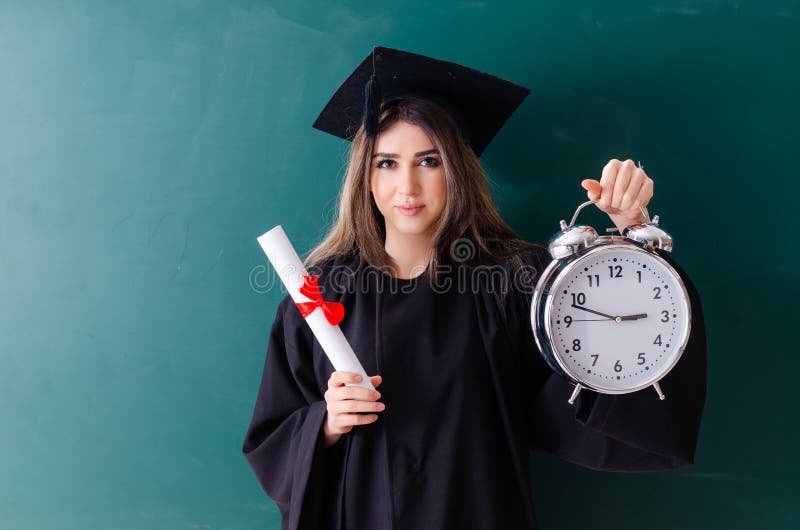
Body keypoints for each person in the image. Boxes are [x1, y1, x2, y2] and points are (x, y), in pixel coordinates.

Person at [241, 46, 707, 530]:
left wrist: (628, 235)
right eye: (386, 163)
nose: (407, 187)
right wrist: (327, 422)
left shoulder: (520, 281)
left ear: (456, 169)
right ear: (364, 176)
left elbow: (622, 350)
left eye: (428, 161)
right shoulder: (320, 298)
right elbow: (273, 440)